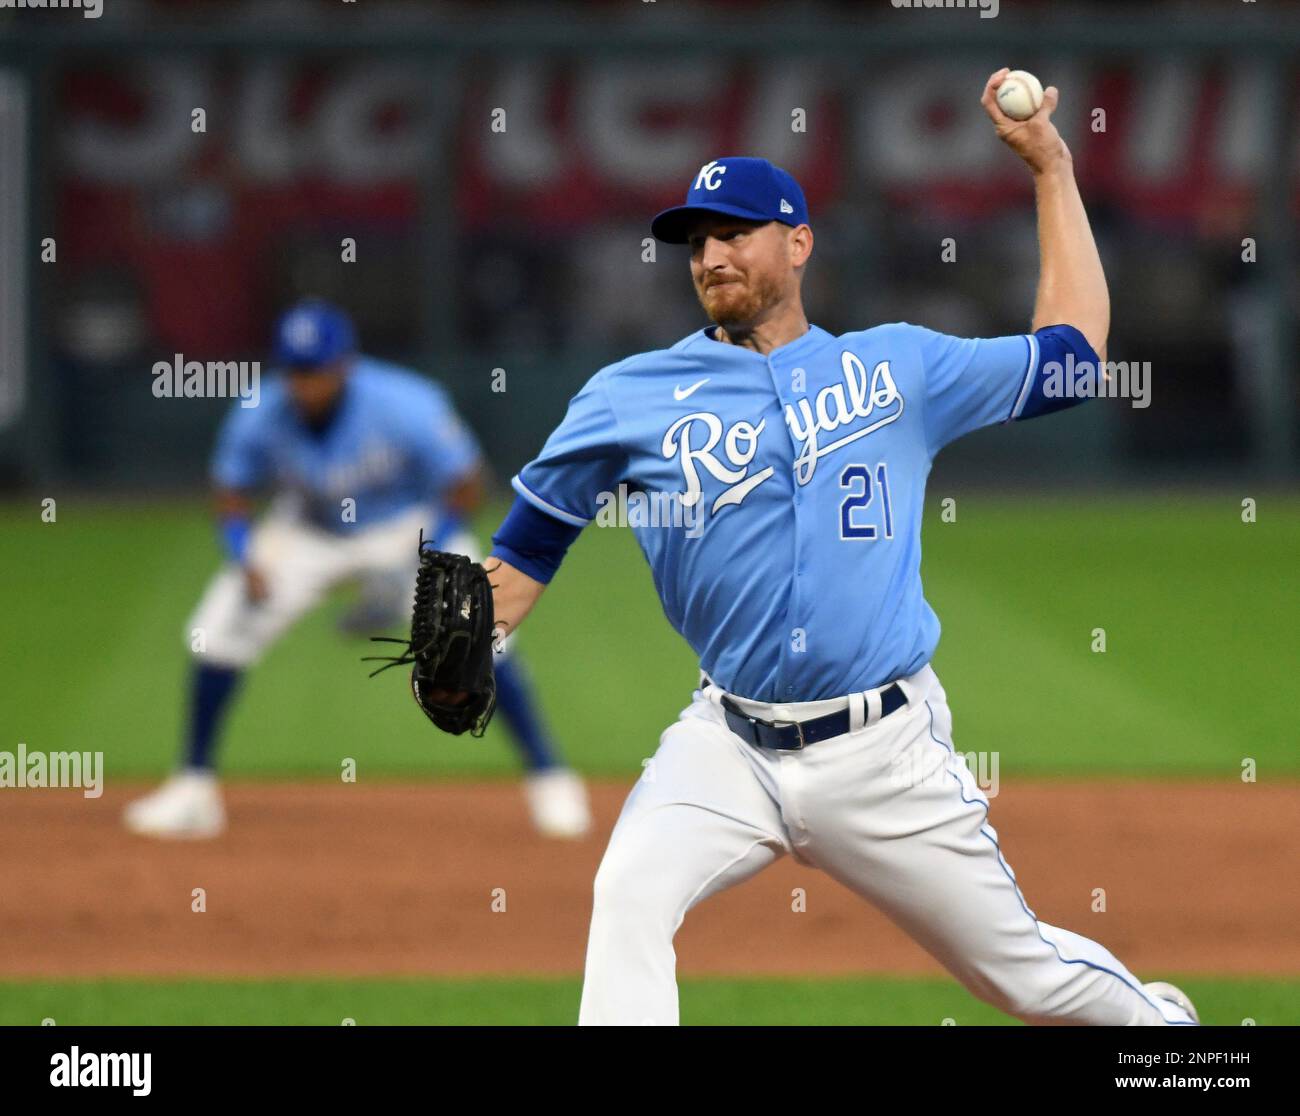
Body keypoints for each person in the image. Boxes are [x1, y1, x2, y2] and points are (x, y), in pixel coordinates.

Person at [476, 71, 1199, 1024]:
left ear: (798, 242)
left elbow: (1072, 358)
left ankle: (1173, 1038)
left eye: (734, 231)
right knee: (628, 897)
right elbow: (528, 550)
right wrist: (472, 638)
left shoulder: (898, 365)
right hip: (726, 743)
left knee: (1025, 978)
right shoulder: (627, 396)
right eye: (698, 241)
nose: (711, 255)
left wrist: (1053, 171)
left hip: (885, 751)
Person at [123, 299, 591, 841]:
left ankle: (550, 776)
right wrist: (241, 552)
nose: (304, 384)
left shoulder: (406, 403)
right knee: (216, 630)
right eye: (294, 371)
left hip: (406, 526)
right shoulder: (259, 410)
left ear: (344, 363)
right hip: (306, 531)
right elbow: (231, 493)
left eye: (315, 370)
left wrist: (434, 549)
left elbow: (467, 480)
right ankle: (193, 788)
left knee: (479, 631)